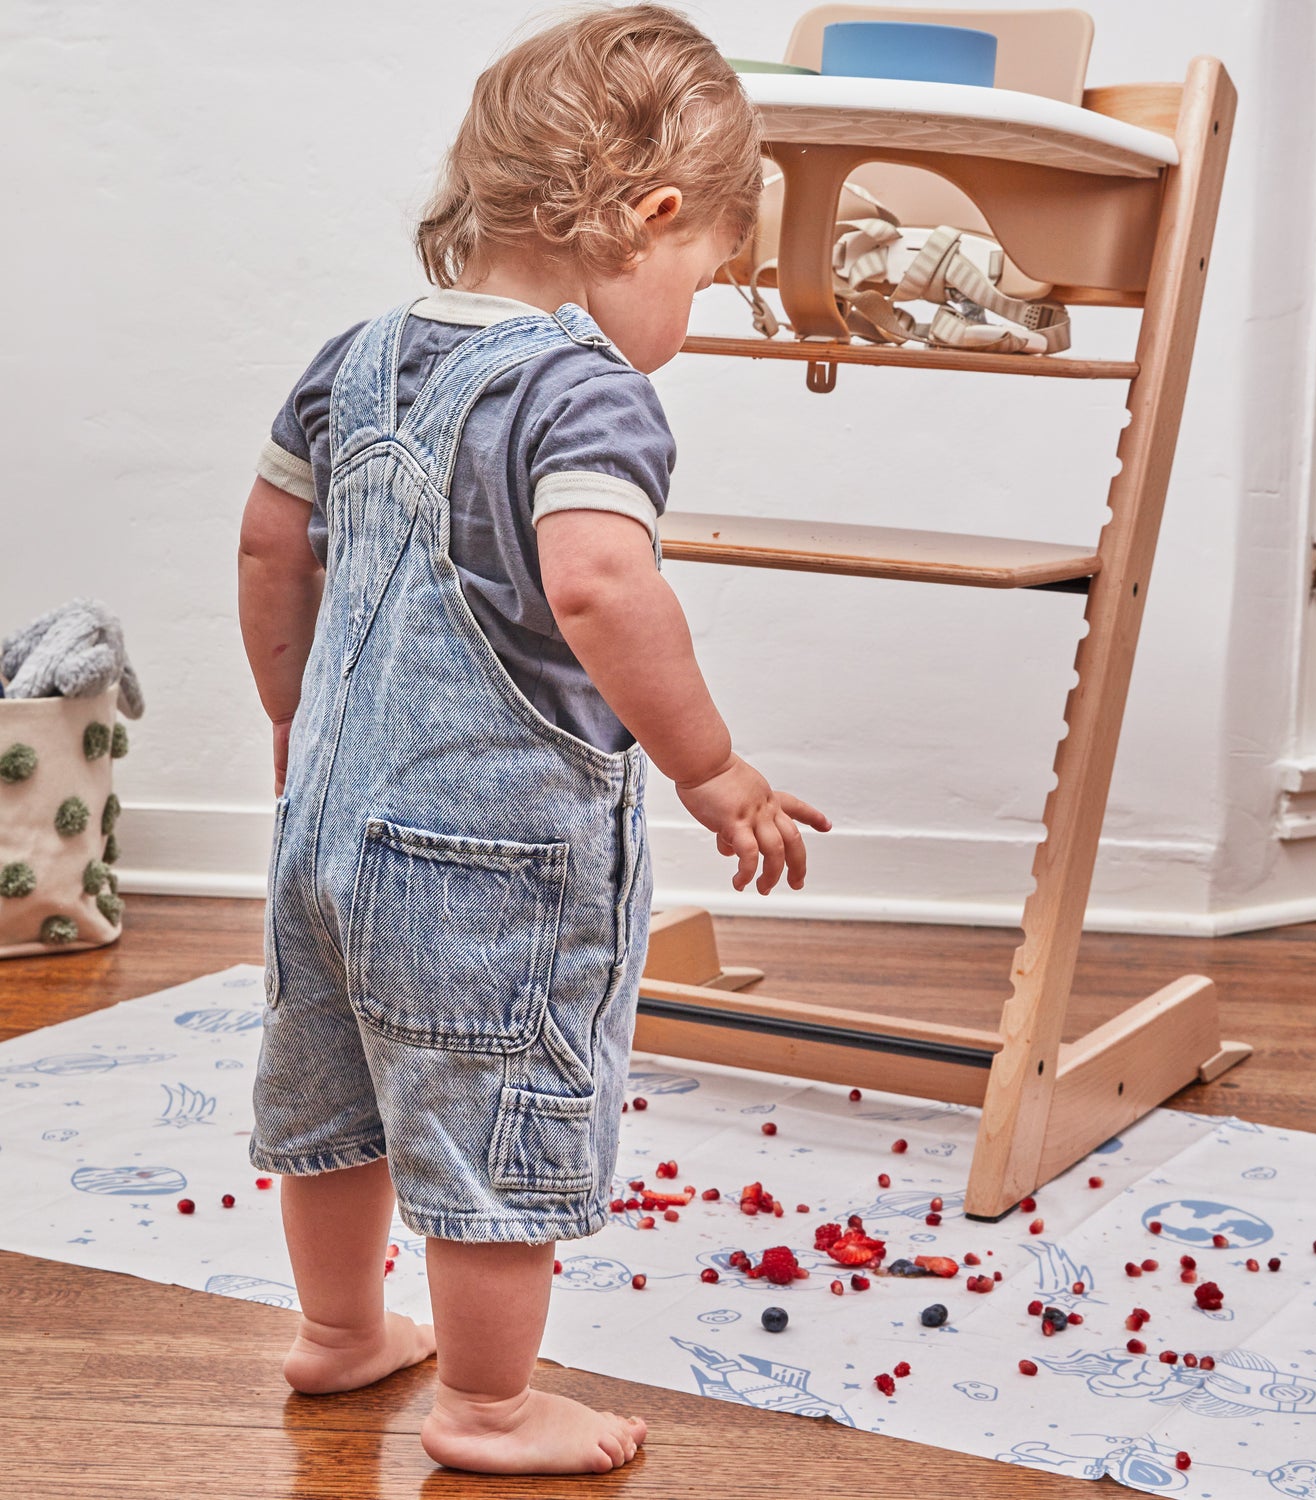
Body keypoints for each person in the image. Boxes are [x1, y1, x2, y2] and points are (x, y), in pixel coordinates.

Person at [235, 3, 830, 1474]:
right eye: (702, 278)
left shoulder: (353, 357)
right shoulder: (587, 391)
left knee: (341, 1093)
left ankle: (336, 1334)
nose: (688, 320)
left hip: (323, 828)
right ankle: (492, 1406)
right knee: (495, 1107)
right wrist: (711, 766)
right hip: (486, 860)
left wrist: (288, 718)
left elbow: (267, 546)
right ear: (653, 217)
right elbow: (597, 579)